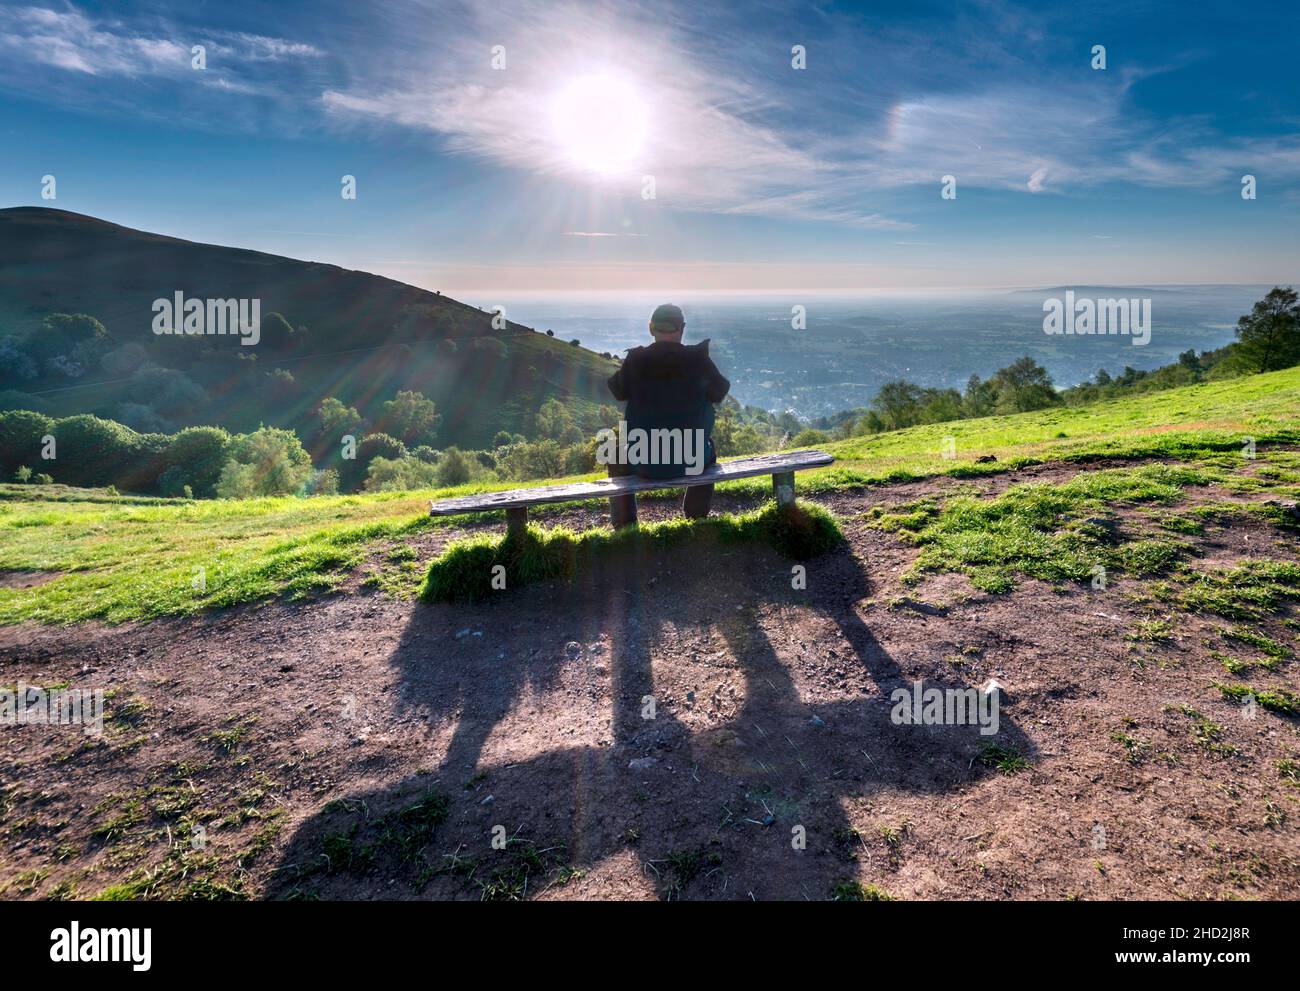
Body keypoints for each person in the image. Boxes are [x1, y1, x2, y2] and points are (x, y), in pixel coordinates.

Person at [605, 303, 730, 527]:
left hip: (642, 459)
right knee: (709, 448)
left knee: (615, 455)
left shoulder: (636, 360)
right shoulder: (698, 359)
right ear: (682, 328)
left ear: (651, 328)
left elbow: (618, 390)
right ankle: (697, 517)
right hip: (692, 458)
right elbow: (719, 392)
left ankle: (625, 526)